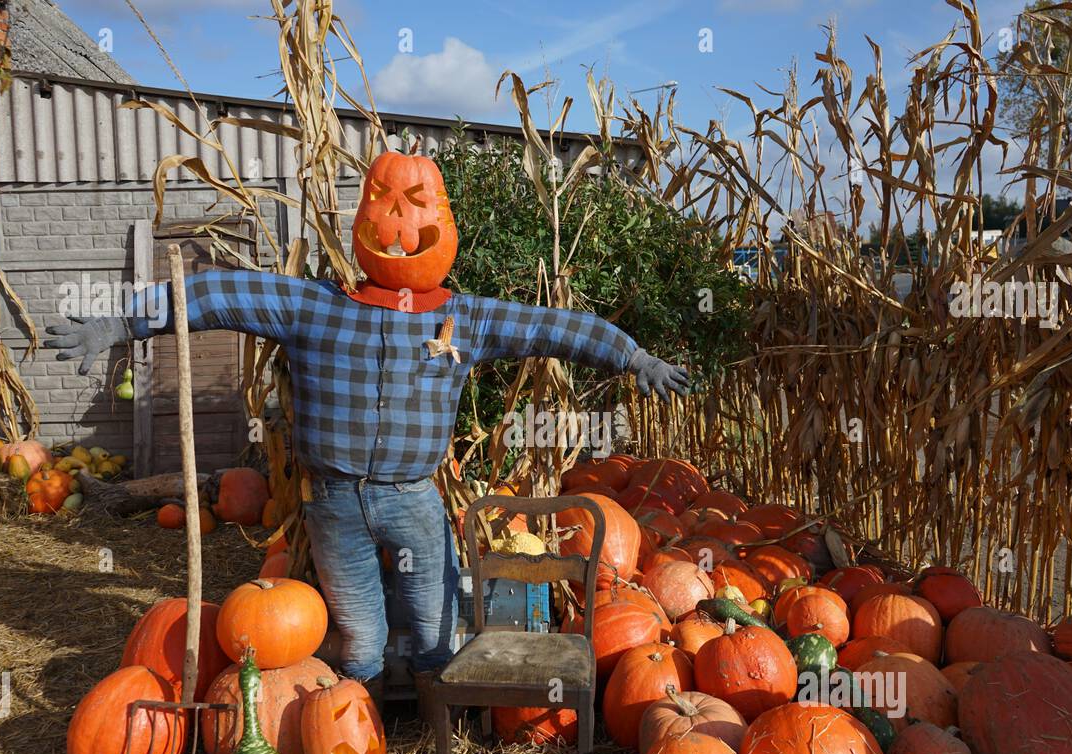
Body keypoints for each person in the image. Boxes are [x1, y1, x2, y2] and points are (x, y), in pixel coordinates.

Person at [48, 149, 688, 717]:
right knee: (360, 636)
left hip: (414, 499)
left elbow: (554, 327)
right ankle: (360, 731)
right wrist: (125, 322)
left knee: (436, 627)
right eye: (386, 204)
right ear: (362, 222)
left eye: (419, 207)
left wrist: (632, 356)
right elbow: (221, 292)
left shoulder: (464, 318)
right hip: (333, 503)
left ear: (444, 224)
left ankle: (444, 733)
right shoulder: (316, 306)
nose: (403, 226)